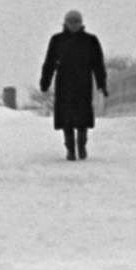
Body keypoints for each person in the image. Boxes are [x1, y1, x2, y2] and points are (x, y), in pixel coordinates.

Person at [39, 9, 107, 161]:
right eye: (71, 22)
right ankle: (70, 148)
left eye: (77, 22)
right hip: (64, 82)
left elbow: (98, 64)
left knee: (82, 115)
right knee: (66, 116)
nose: (74, 25)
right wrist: (45, 81)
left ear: (81, 23)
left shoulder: (90, 40)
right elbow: (49, 62)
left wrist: (102, 83)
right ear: (65, 23)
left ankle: (81, 144)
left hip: (83, 81)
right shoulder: (57, 40)